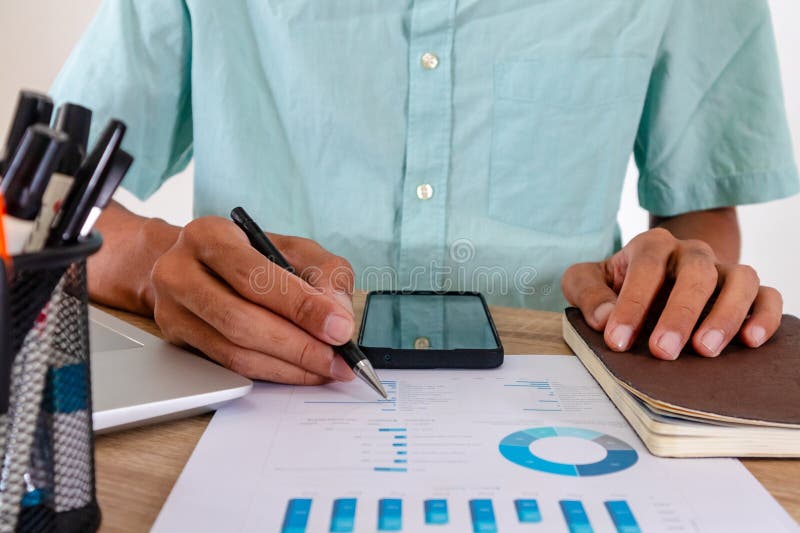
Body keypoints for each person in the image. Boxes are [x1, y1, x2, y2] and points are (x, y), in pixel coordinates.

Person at [51, 0, 798, 385]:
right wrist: (153, 268)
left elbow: (698, 201)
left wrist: (672, 277)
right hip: (252, 393)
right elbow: (37, 196)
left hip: (568, 405)